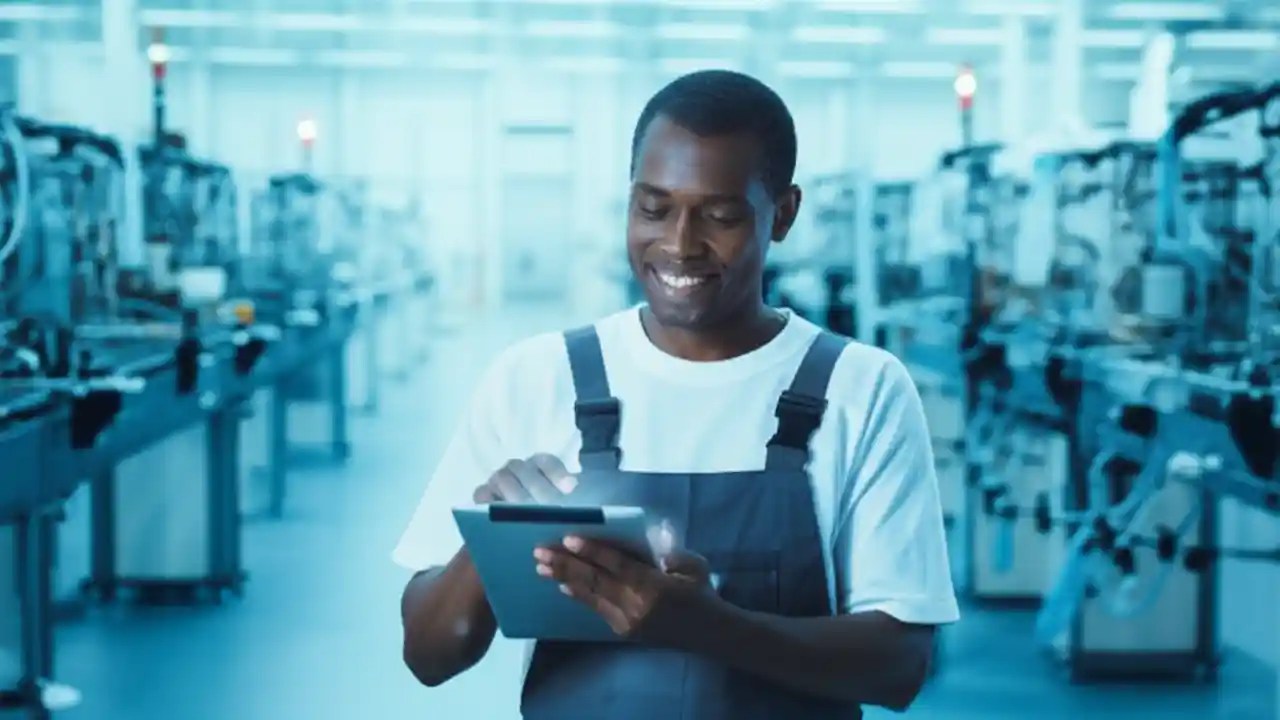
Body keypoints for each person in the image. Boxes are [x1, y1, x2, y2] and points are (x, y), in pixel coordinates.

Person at [393, 69, 959, 719]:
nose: (679, 245)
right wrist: (495, 537)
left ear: (783, 214)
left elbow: (899, 666)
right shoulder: (536, 378)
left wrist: (707, 627)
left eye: (720, 216)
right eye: (653, 209)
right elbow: (428, 656)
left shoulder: (862, 390)